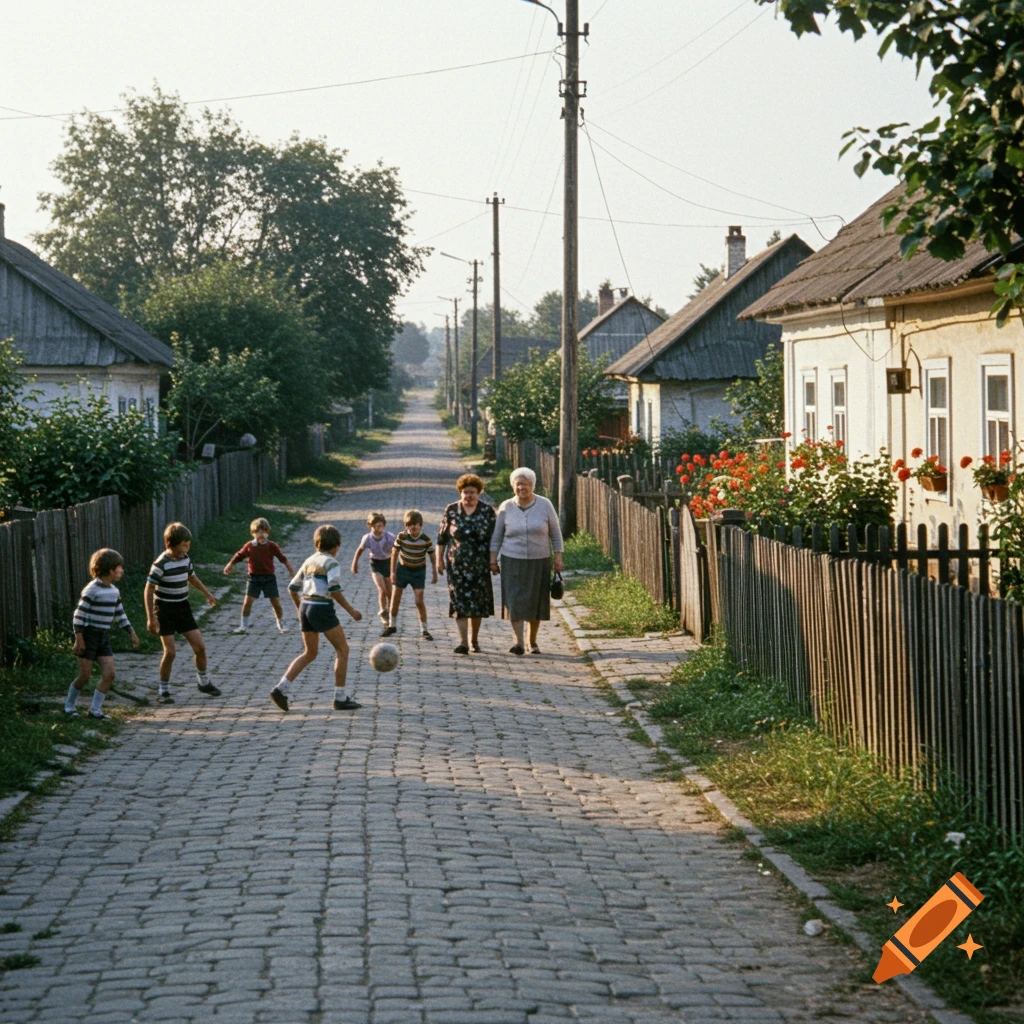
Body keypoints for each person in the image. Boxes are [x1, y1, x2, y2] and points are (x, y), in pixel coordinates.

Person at [271, 524, 363, 712]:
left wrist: (300, 609)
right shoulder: (331, 563)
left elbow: (292, 587)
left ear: (316, 543)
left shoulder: (309, 560)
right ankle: (340, 698)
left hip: (306, 606)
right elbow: (334, 590)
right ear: (336, 546)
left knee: (309, 653)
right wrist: (351, 611)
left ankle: (281, 689)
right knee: (342, 650)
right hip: (322, 607)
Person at [490, 467, 564, 655]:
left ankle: (533, 641)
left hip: (540, 560)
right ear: (513, 486)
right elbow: (497, 536)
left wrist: (558, 557)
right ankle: (519, 643)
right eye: (518, 484)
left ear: (533, 485)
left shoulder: (545, 504)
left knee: (535, 600)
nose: (522, 487)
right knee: (514, 601)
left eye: (526, 484)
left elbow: (556, 533)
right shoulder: (506, 507)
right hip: (512, 559)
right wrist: (493, 560)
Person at [145, 522, 220, 704]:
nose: (187, 548)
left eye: (188, 544)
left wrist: (207, 593)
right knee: (170, 652)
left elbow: (191, 577)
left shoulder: (185, 559)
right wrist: (151, 618)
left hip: (183, 607)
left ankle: (203, 681)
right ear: (171, 544)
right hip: (165, 610)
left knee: (200, 647)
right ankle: (163, 689)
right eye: (183, 544)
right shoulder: (161, 563)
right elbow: (148, 589)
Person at [65, 548, 140, 719]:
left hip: (103, 637)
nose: (122, 570)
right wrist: (79, 639)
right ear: (110, 569)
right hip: (88, 635)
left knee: (109, 674)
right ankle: (69, 706)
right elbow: (79, 616)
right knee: (85, 675)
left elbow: (120, 613)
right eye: (119, 567)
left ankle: (95, 710)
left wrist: (131, 631)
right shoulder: (92, 590)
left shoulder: (114, 591)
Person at [436, 473, 496, 655]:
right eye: (465, 492)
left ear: (479, 493)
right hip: (457, 565)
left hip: (480, 564)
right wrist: (439, 560)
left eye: (473, 492)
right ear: (460, 492)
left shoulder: (487, 511)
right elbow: (442, 537)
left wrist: (493, 561)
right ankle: (462, 642)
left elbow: (495, 538)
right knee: (459, 602)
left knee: (477, 604)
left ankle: (474, 640)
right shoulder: (452, 510)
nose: (469, 496)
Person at [223, 517, 295, 634]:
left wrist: (291, 571)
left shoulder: (272, 546)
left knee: (275, 601)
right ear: (253, 533)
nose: (261, 535)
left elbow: (283, 559)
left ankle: (281, 623)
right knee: (248, 601)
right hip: (254, 578)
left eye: (263, 531)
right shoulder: (250, 546)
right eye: (257, 532)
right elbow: (239, 556)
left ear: (267, 532)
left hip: (269, 577)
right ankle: (243, 625)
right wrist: (230, 564)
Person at [383, 510, 437, 640]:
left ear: (421, 525)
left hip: (418, 571)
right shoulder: (402, 537)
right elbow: (394, 553)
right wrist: (393, 572)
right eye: (410, 524)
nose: (413, 527)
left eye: (416, 524)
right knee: (396, 598)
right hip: (403, 569)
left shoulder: (426, 540)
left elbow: (432, 557)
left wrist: (434, 572)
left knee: (419, 600)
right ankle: (392, 625)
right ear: (405, 525)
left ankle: (424, 629)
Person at [350, 512, 396, 626]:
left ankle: (390, 613)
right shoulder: (368, 538)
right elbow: (359, 550)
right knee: (381, 589)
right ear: (370, 526)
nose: (377, 528)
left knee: (390, 593)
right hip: (375, 564)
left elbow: (397, 550)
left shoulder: (389, 537)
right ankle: (382, 610)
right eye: (375, 526)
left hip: (388, 563)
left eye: (380, 525)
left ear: (383, 526)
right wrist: (354, 564)